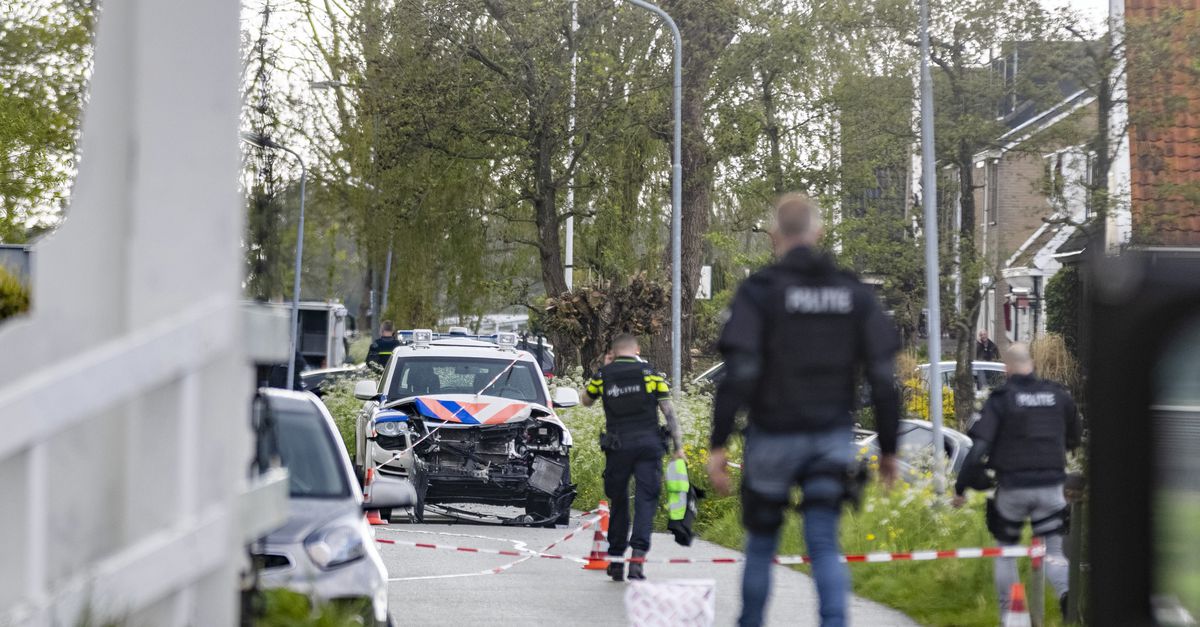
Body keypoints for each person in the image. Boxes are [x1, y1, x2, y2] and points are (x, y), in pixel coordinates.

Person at [706, 193, 901, 627]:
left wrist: (718, 444)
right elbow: (883, 378)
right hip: (830, 437)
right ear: (819, 232)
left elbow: (739, 373)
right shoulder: (851, 292)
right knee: (824, 543)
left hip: (772, 435)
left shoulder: (760, 291)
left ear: (774, 234)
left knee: (761, 545)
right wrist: (889, 450)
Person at [953, 342, 1081, 620]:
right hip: (1051, 487)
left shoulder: (1001, 399)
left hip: (1013, 489)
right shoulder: (1058, 395)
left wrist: (961, 488)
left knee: (1006, 551)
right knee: (1054, 551)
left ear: (1007, 369)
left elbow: (977, 450)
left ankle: (1012, 616)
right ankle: (1066, 596)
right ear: (1031, 364)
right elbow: (1075, 433)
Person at [581, 333, 684, 581]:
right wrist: (678, 447)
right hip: (649, 445)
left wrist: (604, 369)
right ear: (637, 350)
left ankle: (616, 560)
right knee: (646, 501)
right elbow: (668, 412)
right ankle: (637, 558)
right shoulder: (651, 374)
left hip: (618, 447)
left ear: (614, 352)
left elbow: (585, 401)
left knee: (618, 501)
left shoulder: (603, 375)